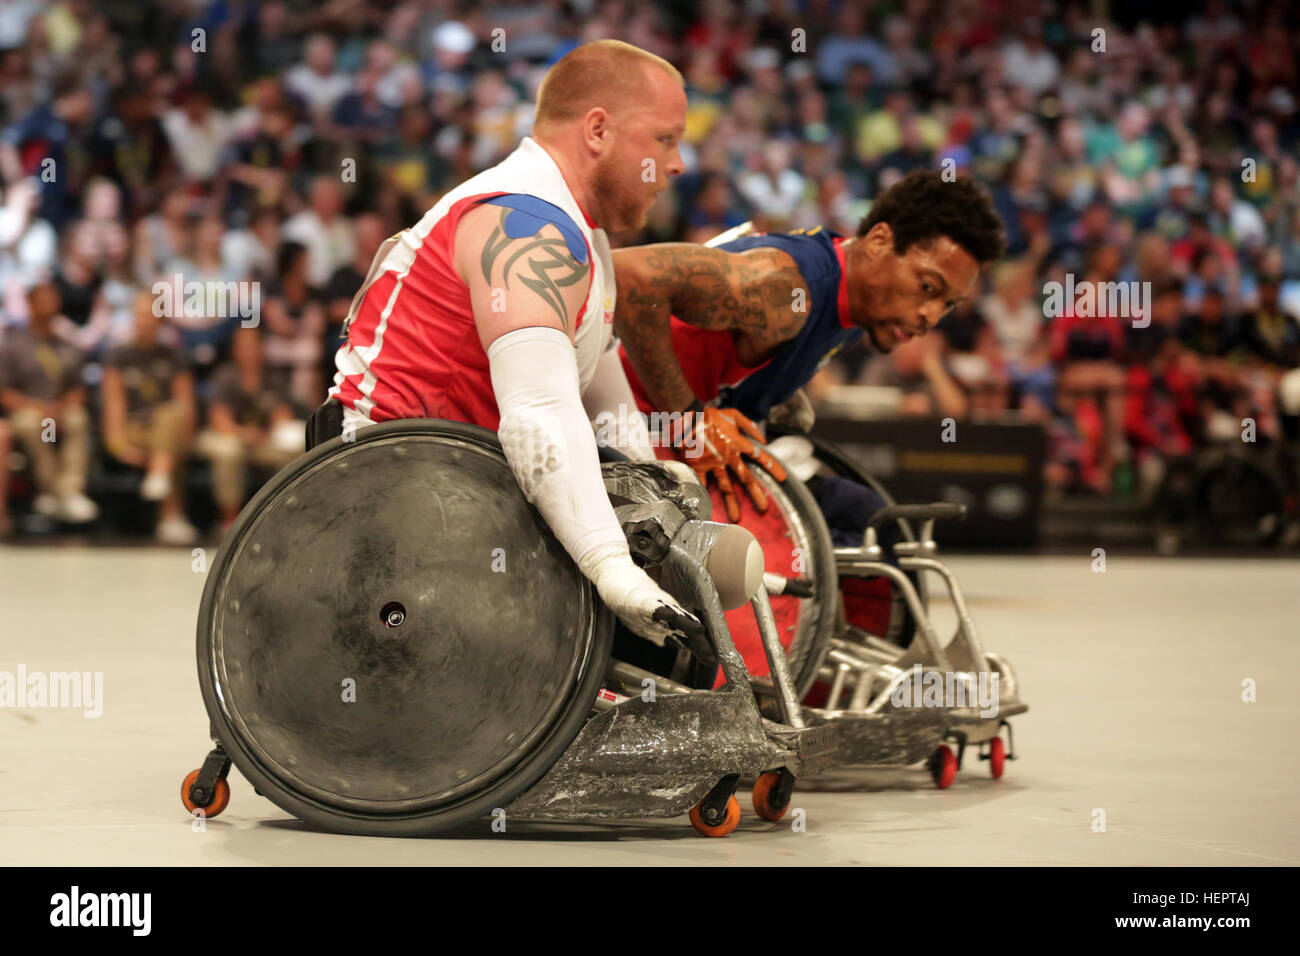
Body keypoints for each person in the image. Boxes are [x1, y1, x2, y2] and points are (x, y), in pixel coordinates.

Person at [313, 40, 699, 648]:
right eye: (665, 140)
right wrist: (610, 566)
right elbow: (539, 415)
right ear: (598, 130)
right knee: (621, 602)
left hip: (461, 484)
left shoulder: (583, 236)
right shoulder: (527, 225)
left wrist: (653, 481)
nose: (678, 164)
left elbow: (603, 399)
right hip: (384, 493)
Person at [614, 170, 1005, 523]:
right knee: (859, 528)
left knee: (871, 519)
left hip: (674, 442)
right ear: (879, 242)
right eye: (928, 287)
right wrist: (688, 422)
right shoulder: (788, 288)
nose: (932, 316)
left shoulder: (857, 306)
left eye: (949, 303)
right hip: (621, 436)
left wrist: (778, 393)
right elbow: (630, 277)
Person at [100, 290, 197, 543]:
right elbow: (114, 408)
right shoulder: (117, 355)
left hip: (170, 430)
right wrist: (120, 446)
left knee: (171, 414)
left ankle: (160, 473)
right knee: (167, 433)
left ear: (160, 319)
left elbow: (187, 407)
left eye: (149, 315)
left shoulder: (174, 355)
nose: (143, 320)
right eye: (139, 314)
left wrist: (181, 445)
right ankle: (171, 514)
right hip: (134, 431)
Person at [0, 281, 97, 523]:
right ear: (30, 304)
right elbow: (5, 393)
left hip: (61, 412)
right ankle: (51, 491)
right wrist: (41, 409)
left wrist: (60, 408)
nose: (51, 305)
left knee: (78, 419)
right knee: (33, 424)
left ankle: (71, 492)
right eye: (44, 299)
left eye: (54, 299)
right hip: (28, 412)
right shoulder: (15, 345)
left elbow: (79, 389)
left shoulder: (67, 345)